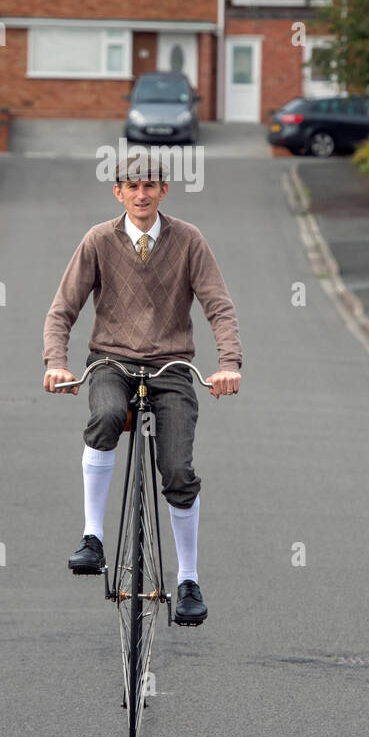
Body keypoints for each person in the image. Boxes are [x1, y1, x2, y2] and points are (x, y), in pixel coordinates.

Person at [42, 150, 241, 626]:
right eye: (131, 186)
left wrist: (229, 364)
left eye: (150, 185)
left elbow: (219, 307)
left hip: (171, 366)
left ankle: (187, 579)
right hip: (111, 360)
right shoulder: (97, 240)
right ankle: (93, 537)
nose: (141, 193)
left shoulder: (189, 240)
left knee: (176, 470)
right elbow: (61, 311)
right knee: (107, 416)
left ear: (163, 190)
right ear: (118, 192)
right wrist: (56, 364)